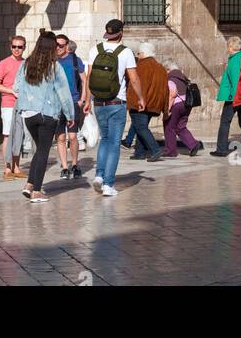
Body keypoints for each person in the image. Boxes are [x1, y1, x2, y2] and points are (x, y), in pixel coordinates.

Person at [81, 18, 144, 197]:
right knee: (115, 143)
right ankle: (108, 184)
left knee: (104, 139)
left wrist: (87, 100)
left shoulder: (96, 49)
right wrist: (140, 97)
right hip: (117, 102)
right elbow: (134, 78)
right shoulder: (126, 52)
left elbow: (89, 76)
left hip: (98, 102)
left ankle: (99, 176)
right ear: (121, 33)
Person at [12, 30, 75, 203]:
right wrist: (70, 115)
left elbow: (16, 88)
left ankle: (29, 184)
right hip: (47, 115)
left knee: (40, 150)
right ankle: (37, 192)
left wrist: (28, 98)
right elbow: (64, 94)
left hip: (28, 114)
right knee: (43, 152)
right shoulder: (55, 67)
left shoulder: (25, 65)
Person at [0, 34, 27, 179]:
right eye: (14, 46)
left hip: (23, 104)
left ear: (24, 47)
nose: (17, 49)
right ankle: (7, 168)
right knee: (7, 135)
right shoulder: (3, 63)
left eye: (20, 47)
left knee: (19, 135)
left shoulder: (26, 63)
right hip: (8, 103)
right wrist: (11, 91)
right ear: (10, 47)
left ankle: (16, 167)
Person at [127, 42, 169, 161]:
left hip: (141, 103)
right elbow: (165, 89)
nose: (138, 55)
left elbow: (140, 85)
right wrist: (164, 107)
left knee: (141, 127)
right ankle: (139, 153)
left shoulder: (142, 66)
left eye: (139, 53)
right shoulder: (160, 67)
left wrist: (136, 100)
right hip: (154, 104)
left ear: (144, 53)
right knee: (142, 126)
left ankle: (155, 150)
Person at [211, 36, 241, 157]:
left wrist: (235, 97)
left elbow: (236, 81)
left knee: (225, 121)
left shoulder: (235, 61)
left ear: (230, 46)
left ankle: (221, 148)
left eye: (228, 46)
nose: (227, 49)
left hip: (234, 97)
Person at [54, 34, 85, 179]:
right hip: (56, 103)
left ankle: (74, 164)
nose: (58, 48)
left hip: (73, 102)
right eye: (56, 45)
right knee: (60, 137)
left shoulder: (74, 60)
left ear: (67, 46)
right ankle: (65, 167)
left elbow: (85, 80)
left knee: (72, 136)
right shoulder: (52, 61)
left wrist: (82, 99)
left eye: (61, 45)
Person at [163, 63, 203, 157]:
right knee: (180, 127)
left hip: (176, 105)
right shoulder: (184, 78)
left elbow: (172, 95)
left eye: (165, 70)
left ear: (168, 69)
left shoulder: (171, 79)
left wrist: (167, 110)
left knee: (169, 126)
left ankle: (170, 151)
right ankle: (193, 144)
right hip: (187, 105)